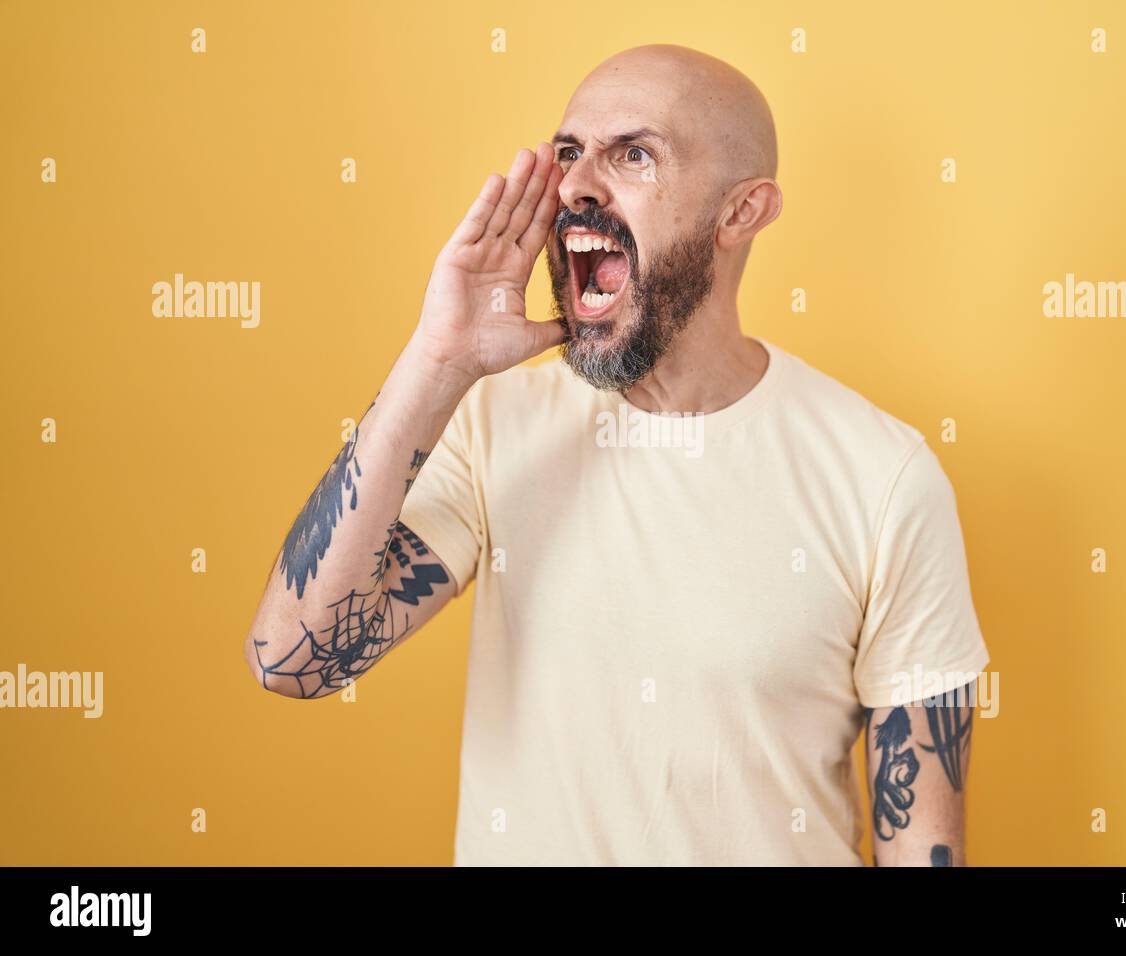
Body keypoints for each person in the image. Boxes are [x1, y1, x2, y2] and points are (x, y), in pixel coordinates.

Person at [244, 44, 990, 866]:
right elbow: (294, 658)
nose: (573, 186)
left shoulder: (882, 477)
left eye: (634, 154)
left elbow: (923, 845)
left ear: (741, 212)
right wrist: (437, 364)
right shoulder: (495, 424)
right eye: (569, 153)